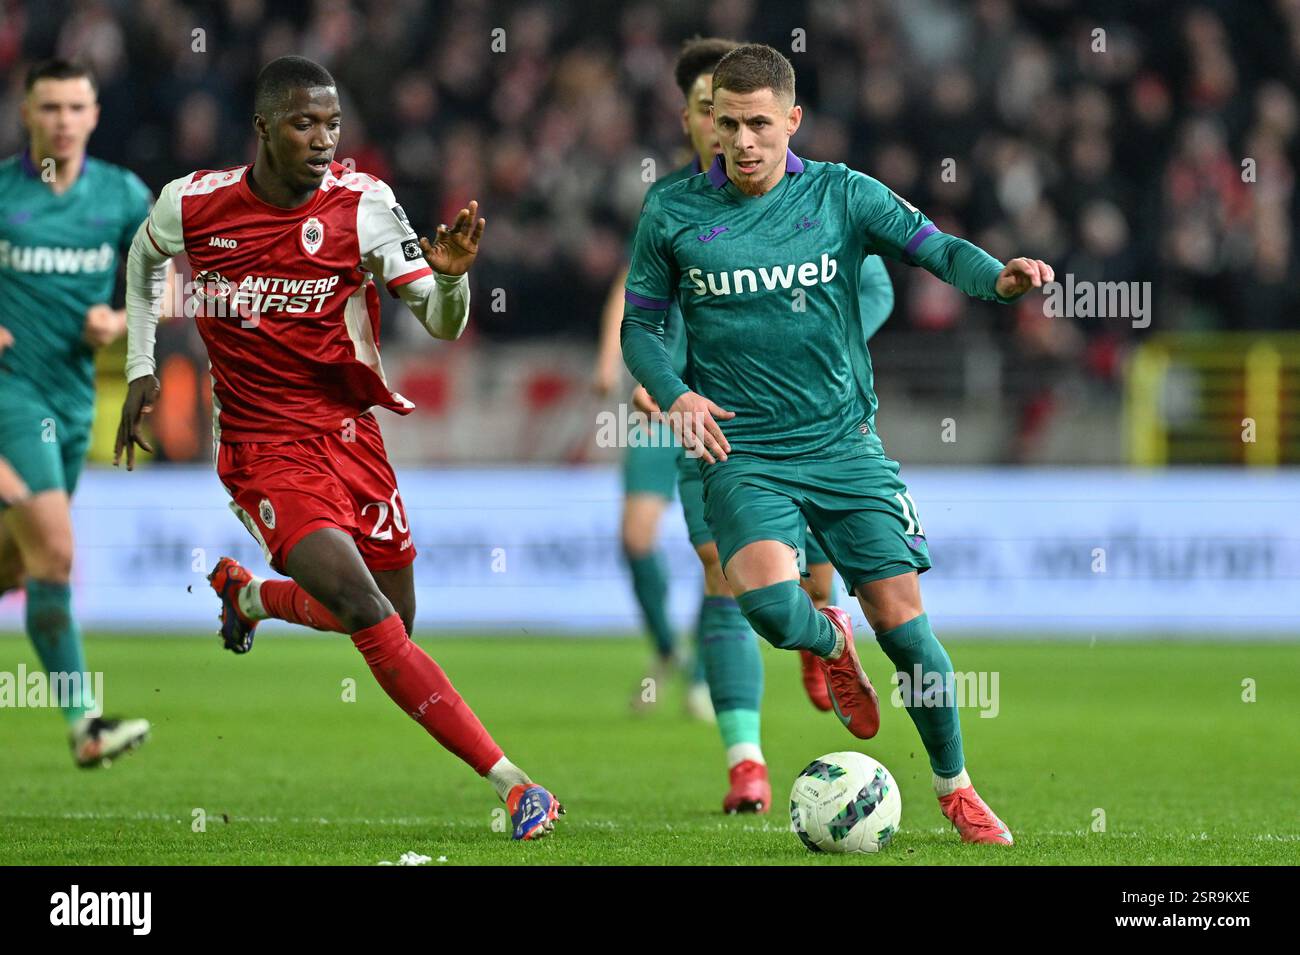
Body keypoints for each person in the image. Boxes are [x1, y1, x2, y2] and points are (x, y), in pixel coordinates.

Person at [115, 55, 562, 841]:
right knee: (364, 607)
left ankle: (248, 595)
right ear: (262, 129)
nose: (323, 140)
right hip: (261, 448)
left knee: (393, 619)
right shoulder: (197, 203)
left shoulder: (365, 206)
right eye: (303, 123)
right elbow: (145, 255)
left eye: (332, 125)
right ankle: (515, 783)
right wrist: (142, 366)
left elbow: (442, 323)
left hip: (352, 439)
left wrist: (452, 280)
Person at [623, 44, 1054, 844]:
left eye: (758, 124)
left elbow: (933, 247)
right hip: (744, 452)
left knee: (907, 625)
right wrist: (677, 392)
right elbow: (641, 326)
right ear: (708, 125)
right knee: (770, 609)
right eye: (727, 124)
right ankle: (828, 636)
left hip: (846, 446)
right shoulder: (672, 212)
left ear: (792, 120)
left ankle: (955, 785)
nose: (742, 141)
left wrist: (997, 279)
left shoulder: (841, 193)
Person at [0, 59, 151, 767]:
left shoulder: (121, 196)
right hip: (10, 396)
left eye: (74, 107)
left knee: (18, 563)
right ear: (27, 113)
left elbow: (171, 281)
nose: (61, 119)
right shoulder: (3, 194)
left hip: (74, 399)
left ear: (94, 114)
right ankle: (84, 723)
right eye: (49, 106)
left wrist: (120, 321)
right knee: (57, 550)